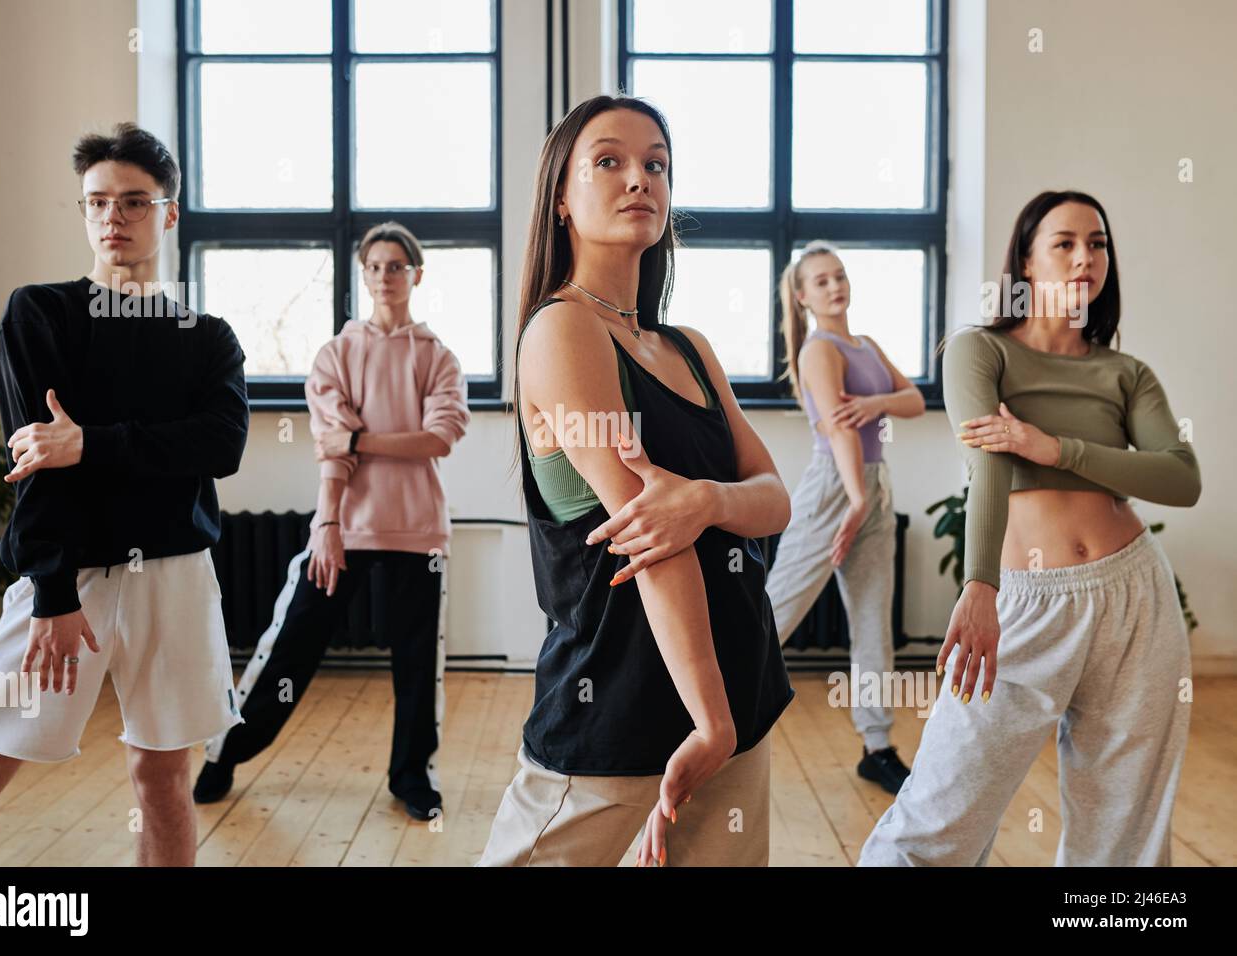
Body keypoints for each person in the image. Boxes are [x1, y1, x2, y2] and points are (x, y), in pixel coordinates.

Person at [477, 95, 795, 867]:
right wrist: (707, 721)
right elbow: (649, 540)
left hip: (736, 700)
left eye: (656, 164)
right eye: (609, 161)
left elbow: (776, 499)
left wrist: (707, 500)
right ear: (561, 197)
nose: (638, 179)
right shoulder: (562, 330)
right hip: (615, 715)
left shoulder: (687, 347)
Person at [0, 123, 249, 867]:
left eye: (135, 202)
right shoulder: (38, 313)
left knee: (164, 777)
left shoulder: (207, 336)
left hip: (174, 573)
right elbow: (34, 462)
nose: (115, 218)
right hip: (67, 575)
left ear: (168, 213)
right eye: (99, 202)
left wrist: (92, 442)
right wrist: (51, 593)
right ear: (83, 212)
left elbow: (221, 445)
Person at [859, 190, 1200, 866]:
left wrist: (1057, 449)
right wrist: (980, 586)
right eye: (1064, 243)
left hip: (1133, 593)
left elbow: (1182, 478)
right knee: (942, 808)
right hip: (1023, 599)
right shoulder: (980, 351)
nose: (1085, 258)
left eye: (1097, 243)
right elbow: (987, 467)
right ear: (1026, 259)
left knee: (1126, 819)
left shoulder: (1125, 373)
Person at [193, 222, 469, 823]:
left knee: (419, 666)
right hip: (343, 529)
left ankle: (412, 778)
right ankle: (225, 755)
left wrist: (360, 437)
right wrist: (328, 523)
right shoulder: (336, 355)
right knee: (288, 650)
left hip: (419, 531)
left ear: (416, 275)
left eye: (397, 266)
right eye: (375, 266)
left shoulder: (439, 357)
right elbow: (332, 449)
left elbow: (440, 437)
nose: (385, 276)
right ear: (363, 275)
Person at [766, 241, 926, 794]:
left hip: (873, 486)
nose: (835, 286)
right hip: (836, 487)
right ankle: (697, 725)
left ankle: (876, 746)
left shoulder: (866, 345)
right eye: (822, 280)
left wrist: (876, 404)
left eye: (840, 276)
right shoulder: (819, 349)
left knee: (872, 624)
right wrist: (855, 501)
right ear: (804, 296)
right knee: (775, 614)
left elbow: (915, 401)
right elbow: (838, 433)